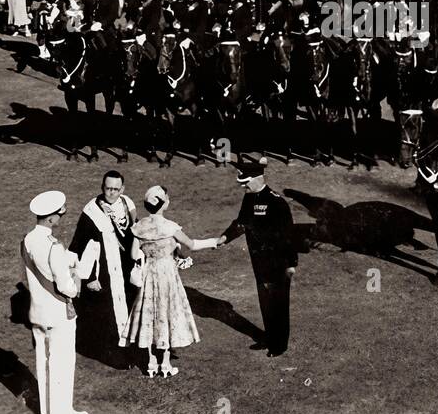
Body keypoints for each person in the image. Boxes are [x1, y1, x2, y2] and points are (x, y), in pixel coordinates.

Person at [125, 184, 220, 378]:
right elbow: (192, 245)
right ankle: (166, 363)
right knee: (167, 312)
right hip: (167, 274)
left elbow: (134, 253)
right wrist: (215, 242)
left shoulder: (139, 227)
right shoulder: (170, 227)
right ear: (163, 204)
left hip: (149, 274)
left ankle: (151, 363)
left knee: (149, 313)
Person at [217, 154, 296, 357]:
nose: (244, 187)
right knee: (265, 301)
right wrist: (225, 237)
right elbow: (241, 223)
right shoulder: (249, 198)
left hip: (278, 263)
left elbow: (289, 236)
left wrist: (291, 264)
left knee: (278, 304)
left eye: (246, 183)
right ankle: (270, 337)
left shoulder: (277, 203)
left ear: (256, 178)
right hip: (258, 261)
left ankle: (279, 346)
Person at [22, 190, 88, 414]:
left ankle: (46, 409)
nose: (61, 217)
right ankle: (61, 412)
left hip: (37, 310)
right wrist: (76, 276)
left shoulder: (28, 239)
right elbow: (67, 287)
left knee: (43, 360)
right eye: (59, 214)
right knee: (62, 362)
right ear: (50, 218)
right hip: (58, 311)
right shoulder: (54, 246)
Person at [68, 170, 136, 361]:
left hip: (126, 268)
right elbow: (78, 246)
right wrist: (89, 278)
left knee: (130, 308)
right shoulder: (90, 212)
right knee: (108, 315)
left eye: (116, 189)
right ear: (102, 187)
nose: (112, 193)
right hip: (104, 271)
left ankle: (130, 349)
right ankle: (114, 356)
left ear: (122, 189)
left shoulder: (127, 203)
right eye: (108, 189)